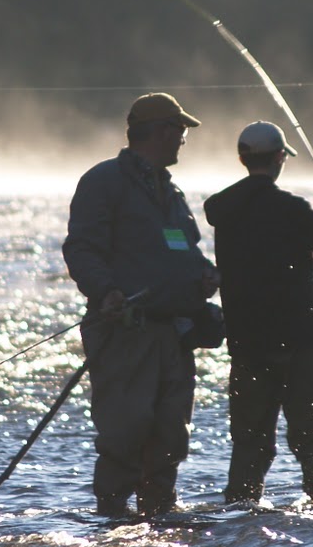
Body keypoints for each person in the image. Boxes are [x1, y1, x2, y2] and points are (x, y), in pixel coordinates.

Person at [63, 92, 219, 518]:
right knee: (125, 429)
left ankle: (158, 515)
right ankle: (113, 515)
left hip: (174, 330)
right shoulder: (104, 181)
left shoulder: (172, 192)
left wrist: (203, 274)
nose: (184, 139)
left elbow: (184, 250)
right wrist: (105, 292)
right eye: (181, 130)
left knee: (171, 434)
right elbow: (82, 249)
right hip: (126, 330)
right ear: (163, 131)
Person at [203, 120, 313, 507]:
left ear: (242, 158)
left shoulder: (222, 210)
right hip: (296, 342)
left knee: (249, 441)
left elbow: (268, 260)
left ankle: (240, 510)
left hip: (245, 342)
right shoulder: (291, 209)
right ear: (279, 158)